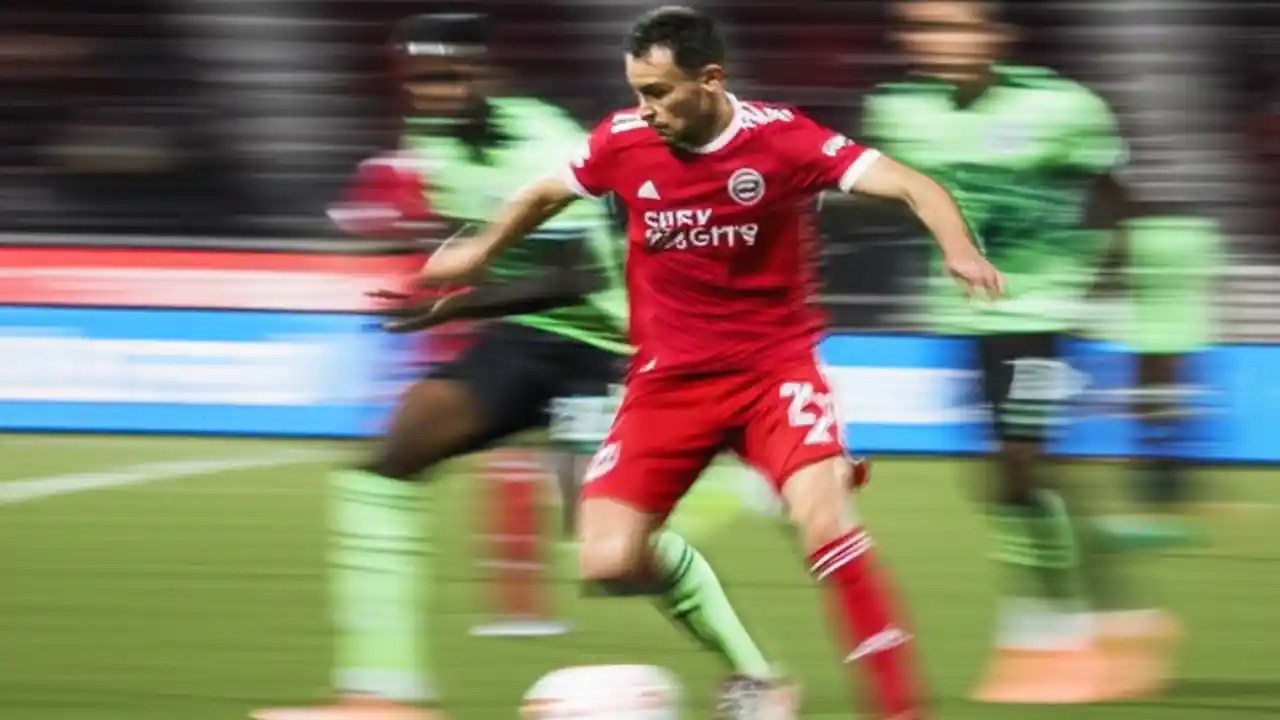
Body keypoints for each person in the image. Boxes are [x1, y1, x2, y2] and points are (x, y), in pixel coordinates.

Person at [418, 7, 1003, 719]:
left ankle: (899, 709)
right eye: (637, 90)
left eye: (660, 92)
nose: (646, 109)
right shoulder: (621, 142)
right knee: (608, 559)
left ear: (710, 79)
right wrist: (481, 250)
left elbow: (916, 185)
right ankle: (755, 678)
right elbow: (543, 191)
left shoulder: (786, 140)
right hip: (667, 383)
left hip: (773, 374)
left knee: (825, 523)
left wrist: (958, 248)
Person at [252, 13, 795, 720]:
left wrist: (451, 306)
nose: (436, 91)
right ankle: (382, 695)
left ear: (484, 73)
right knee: (386, 468)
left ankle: (759, 678)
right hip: (523, 337)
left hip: (608, 348)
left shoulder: (541, 139)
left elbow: (571, 274)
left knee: (615, 557)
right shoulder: (430, 142)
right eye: (422, 78)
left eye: (450, 75)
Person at [863, 0, 1178, 703]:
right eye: (920, 26)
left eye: (953, 24)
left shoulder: (1061, 108)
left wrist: (1103, 283)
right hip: (963, 316)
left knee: (1018, 468)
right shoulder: (900, 110)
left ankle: (1052, 637)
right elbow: (889, 193)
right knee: (1016, 480)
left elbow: (1115, 197)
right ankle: (1126, 617)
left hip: (1041, 313)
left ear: (996, 35)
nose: (934, 40)